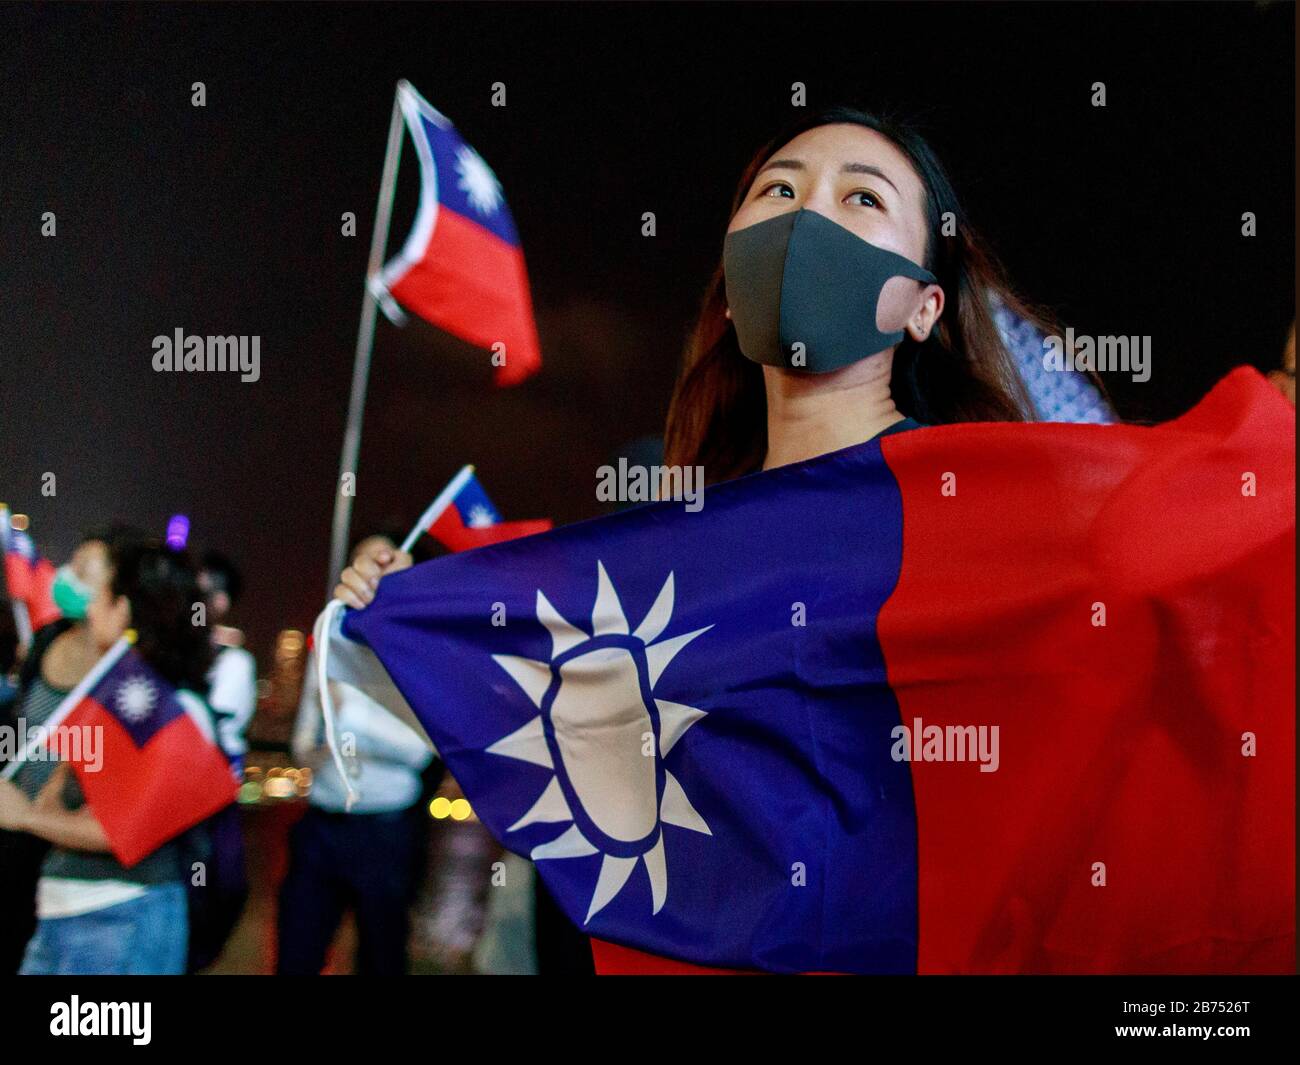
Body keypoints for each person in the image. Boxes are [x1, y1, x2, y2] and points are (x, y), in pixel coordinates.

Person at [332, 107, 1090, 971]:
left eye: (863, 199)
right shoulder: (669, 559)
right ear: (732, 285)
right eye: (779, 189)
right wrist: (400, 612)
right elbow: (557, 715)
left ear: (922, 306)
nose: (807, 218)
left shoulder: (988, 510)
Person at [0, 540, 218, 975]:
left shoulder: (173, 709)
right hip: (62, 914)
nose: (88, 607)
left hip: (122, 920)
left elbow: (130, 827)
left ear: (126, 610)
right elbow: (66, 797)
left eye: (101, 594)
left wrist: (24, 817)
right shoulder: (106, 694)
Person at [277, 534, 435, 975]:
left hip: (387, 831)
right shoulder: (329, 636)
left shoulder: (417, 650)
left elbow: (420, 752)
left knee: (382, 958)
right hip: (321, 823)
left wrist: (350, 722)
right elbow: (302, 747)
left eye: (385, 562)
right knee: (296, 952)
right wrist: (327, 733)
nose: (372, 571)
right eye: (363, 561)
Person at [0, 523, 143, 973]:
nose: (67, 577)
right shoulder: (45, 639)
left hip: (66, 835)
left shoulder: (127, 670)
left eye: (84, 571)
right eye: (71, 565)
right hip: (11, 823)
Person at [198, 550, 257, 770]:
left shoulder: (235, 663)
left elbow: (210, 727)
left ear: (220, 602)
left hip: (214, 776)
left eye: (196, 596)